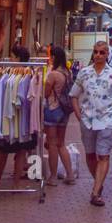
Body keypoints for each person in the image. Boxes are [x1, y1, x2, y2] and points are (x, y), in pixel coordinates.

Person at [71, 39, 112, 207]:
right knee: (90, 155)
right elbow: (73, 94)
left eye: (102, 52)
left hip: (106, 121)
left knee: (103, 155)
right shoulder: (84, 73)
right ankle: (99, 182)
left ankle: (95, 192)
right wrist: (78, 114)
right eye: (96, 52)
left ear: (107, 55)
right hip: (87, 121)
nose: (98, 55)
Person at [0, 41, 35, 189]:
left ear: (17, 58)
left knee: (7, 151)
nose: (10, 59)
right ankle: (13, 184)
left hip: (13, 119)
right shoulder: (17, 75)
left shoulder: (20, 77)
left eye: (12, 57)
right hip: (21, 121)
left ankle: (0, 182)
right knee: (19, 151)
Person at [43, 46, 76, 187]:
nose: (50, 58)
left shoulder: (53, 74)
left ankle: (53, 177)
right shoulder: (68, 73)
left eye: (51, 56)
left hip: (52, 110)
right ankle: (70, 175)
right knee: (61, 143)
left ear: (55, 57)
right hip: (64, 112)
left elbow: (46, 93)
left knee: (52, 145)